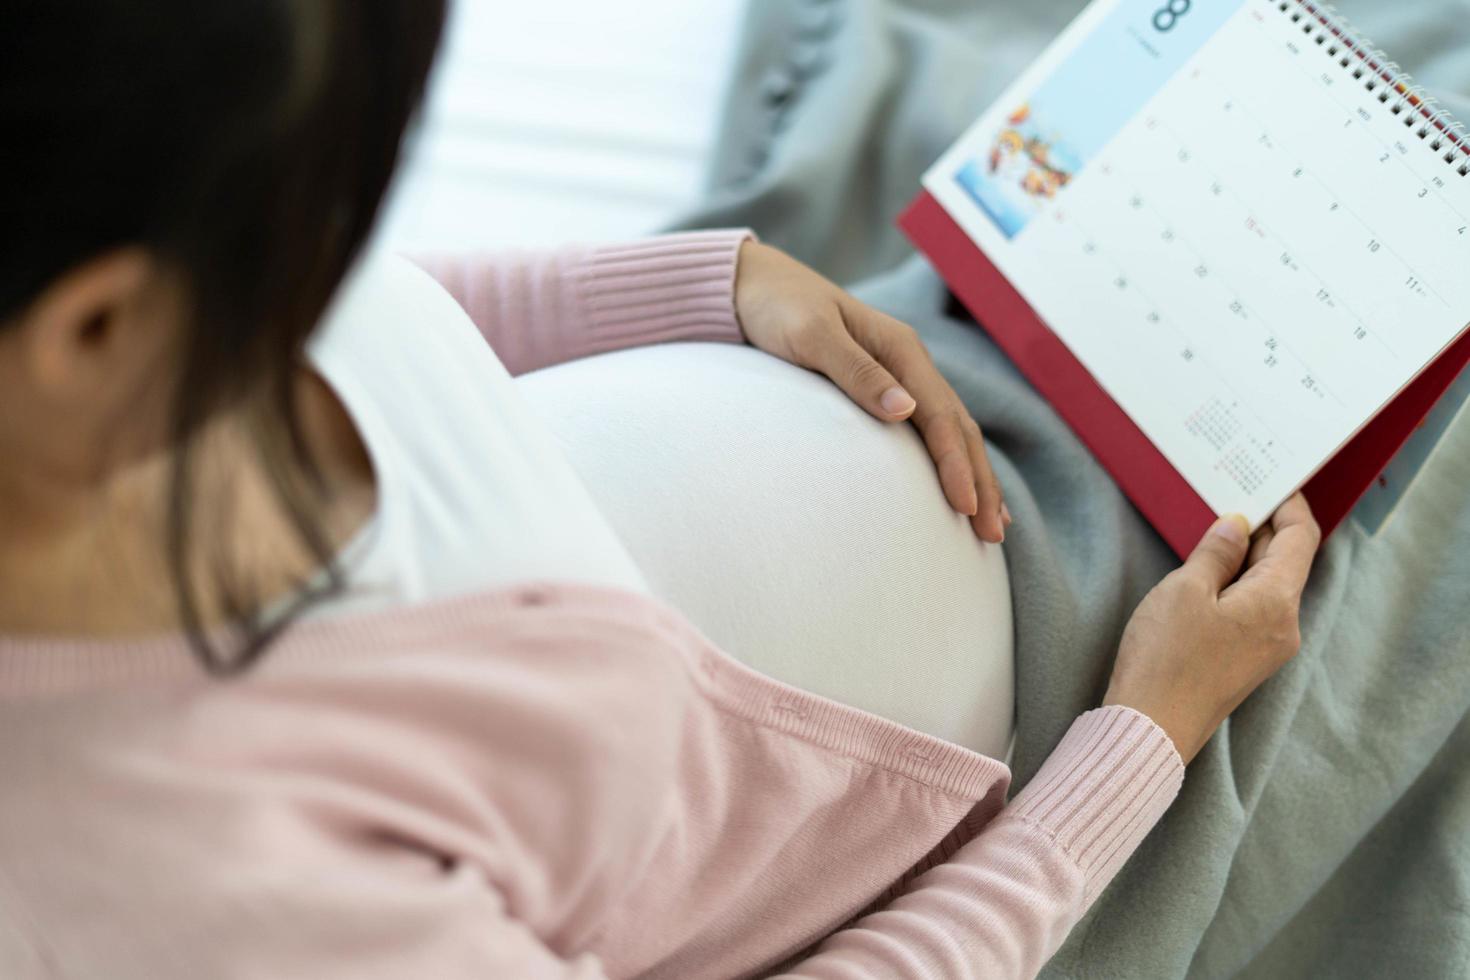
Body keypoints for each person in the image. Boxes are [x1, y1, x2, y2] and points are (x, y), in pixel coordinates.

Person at [0, 2, 1321, 977]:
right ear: (98, 332)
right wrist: (1138, 747)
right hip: (1053, 733)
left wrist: (706, 281)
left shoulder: (102, 327)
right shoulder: (224, 897)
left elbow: (381, 314)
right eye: (326, 218)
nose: (340, 263)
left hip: (919, 419)